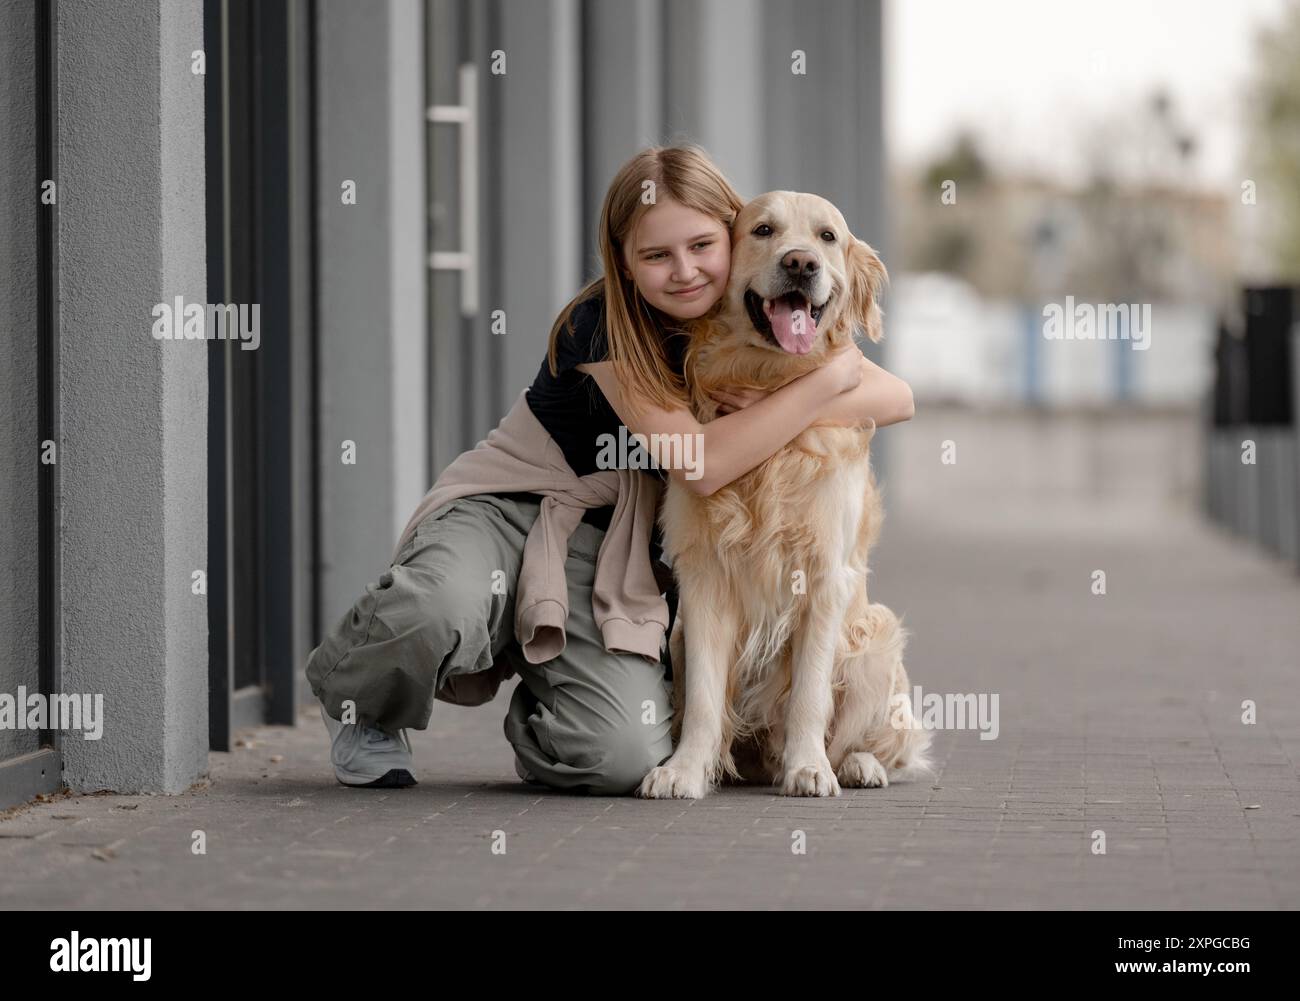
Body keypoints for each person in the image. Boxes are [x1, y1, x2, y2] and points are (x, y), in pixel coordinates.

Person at [306, 144, 915, 795]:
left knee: (620, 754)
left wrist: (822, 377)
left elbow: (897, 396)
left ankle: (551, 710)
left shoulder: (744, 316)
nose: (683, 271)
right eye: (656, 255)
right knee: (437, 603)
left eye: (702, 245)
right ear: (622, 263)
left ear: (730, 243)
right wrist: (819, 388)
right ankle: (357, 700)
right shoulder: (602, 325)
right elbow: (702, 464)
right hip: (512, 508)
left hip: (604, 555)